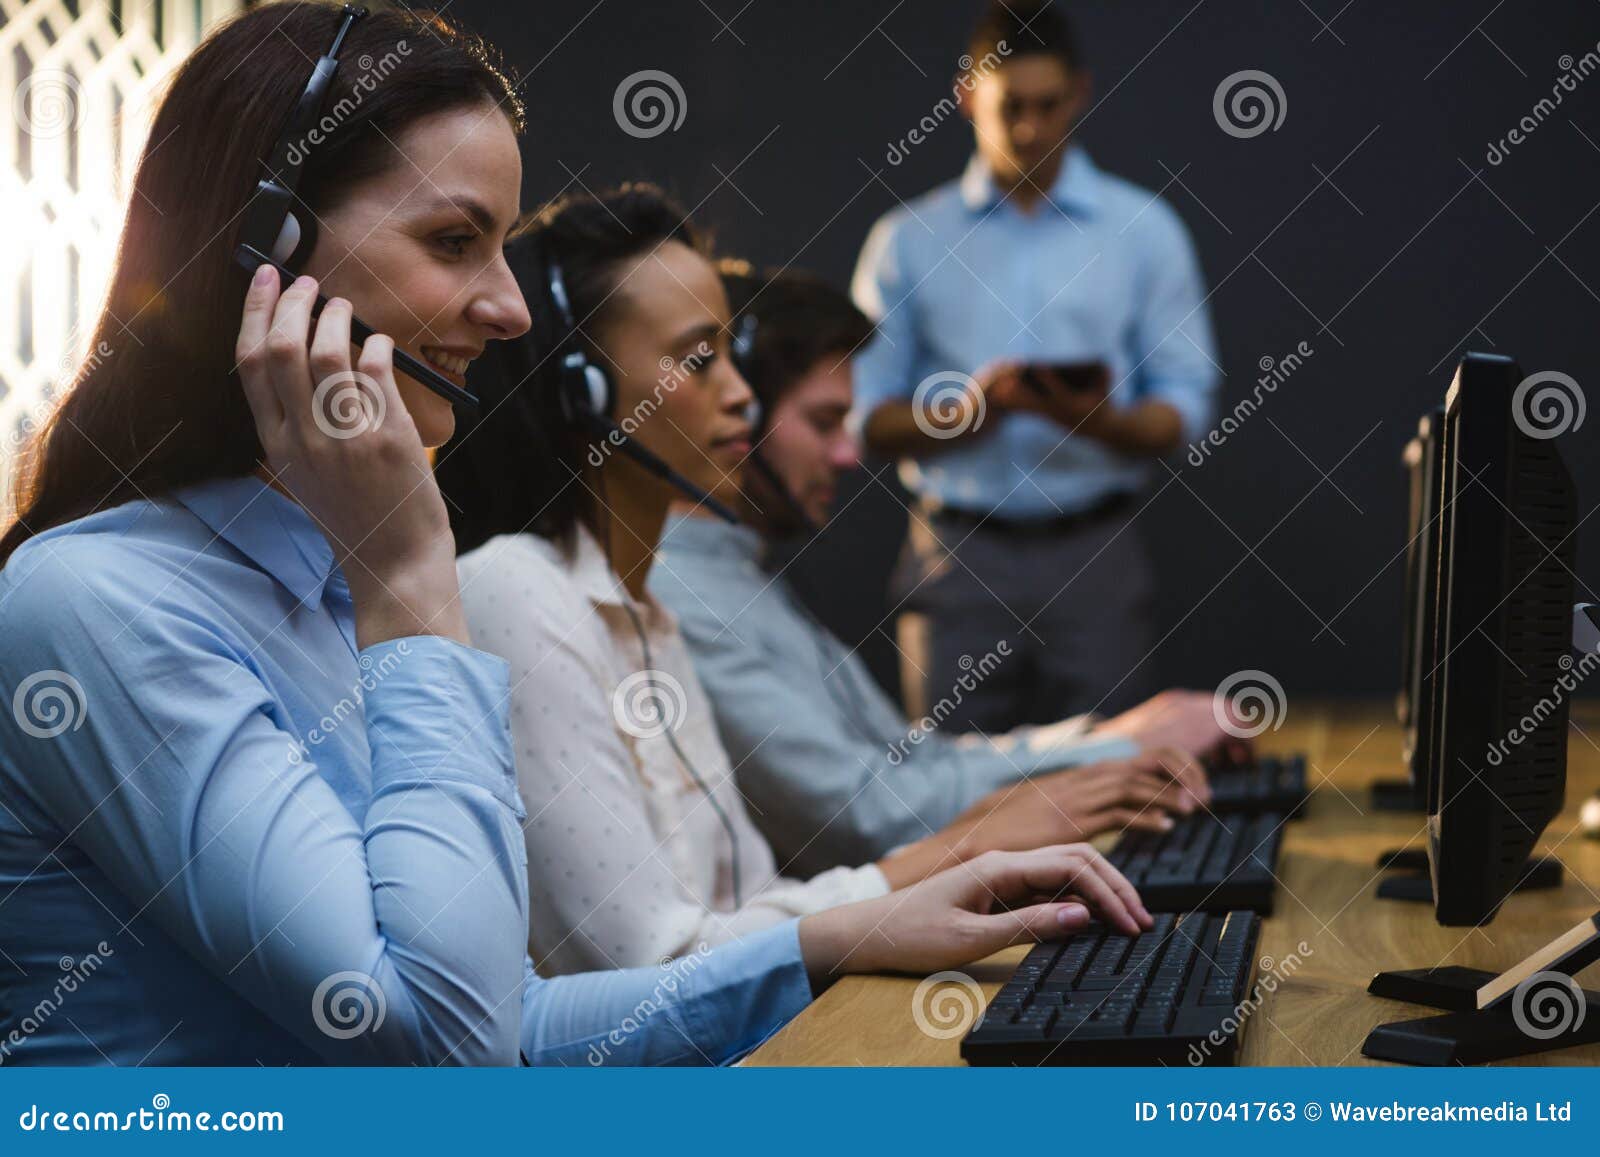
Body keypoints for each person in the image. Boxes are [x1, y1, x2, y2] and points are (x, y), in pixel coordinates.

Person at [0, 3, 1144, 1067]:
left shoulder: (337, 588)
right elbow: (441, 1041)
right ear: (267, 257)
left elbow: (502, 1019)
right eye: (453, 242)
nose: (505, 310)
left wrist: (835, 939)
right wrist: (408, 574)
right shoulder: (99, 600)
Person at [437, 184, 1155, 979]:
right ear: (585, 396)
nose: (741, 396)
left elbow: (751, 896)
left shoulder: (641, 613)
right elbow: (649, 967)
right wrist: (960, 853)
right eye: (700, 360)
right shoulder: (513, 591)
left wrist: (960, 864)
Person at [653, 265, 1240, 877]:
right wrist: (1118, 754)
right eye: (825, 423)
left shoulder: (738, 578)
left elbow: (914, 765)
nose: (851, 454)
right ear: (736, 414)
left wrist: (1112, 738)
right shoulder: (685, 599)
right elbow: (872, 820)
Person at [852, 0, 1219, 731]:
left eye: (1048, 105)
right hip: (956, 557)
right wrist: (972, 410)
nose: (1028, 128)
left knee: (1112, 788)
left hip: (1095, 560)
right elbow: (864, 420)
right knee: (949, 803)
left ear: (1079, 94)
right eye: (1009, 106)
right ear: (966, 97)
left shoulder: (1144, 231)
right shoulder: (907, 240)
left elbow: (1187, 408)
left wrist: (1097, 422)